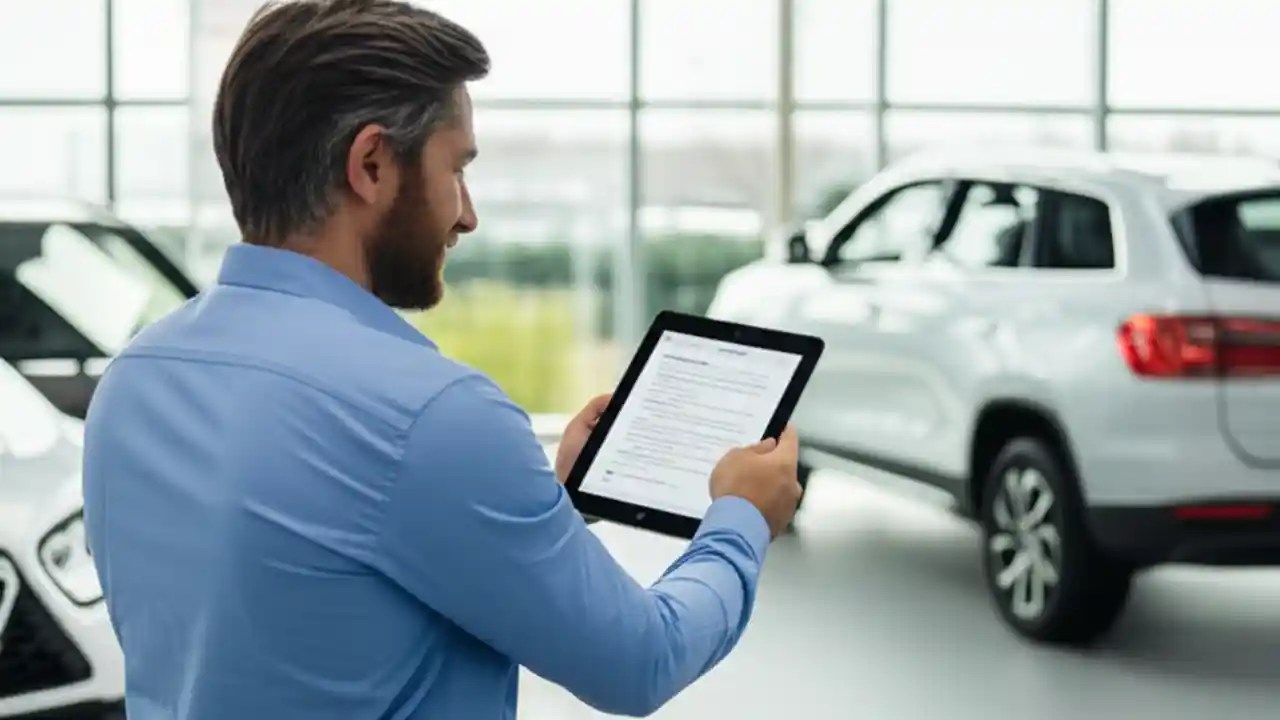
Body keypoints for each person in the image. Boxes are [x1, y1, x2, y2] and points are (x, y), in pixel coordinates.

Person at [81, 1, 803, 718]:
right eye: (456, 169)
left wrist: (543, 507)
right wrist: (740, 513)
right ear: (370, 164)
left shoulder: (135, 382)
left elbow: (303, 586)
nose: (467, 213)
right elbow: (643, 661)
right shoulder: (431, 416)